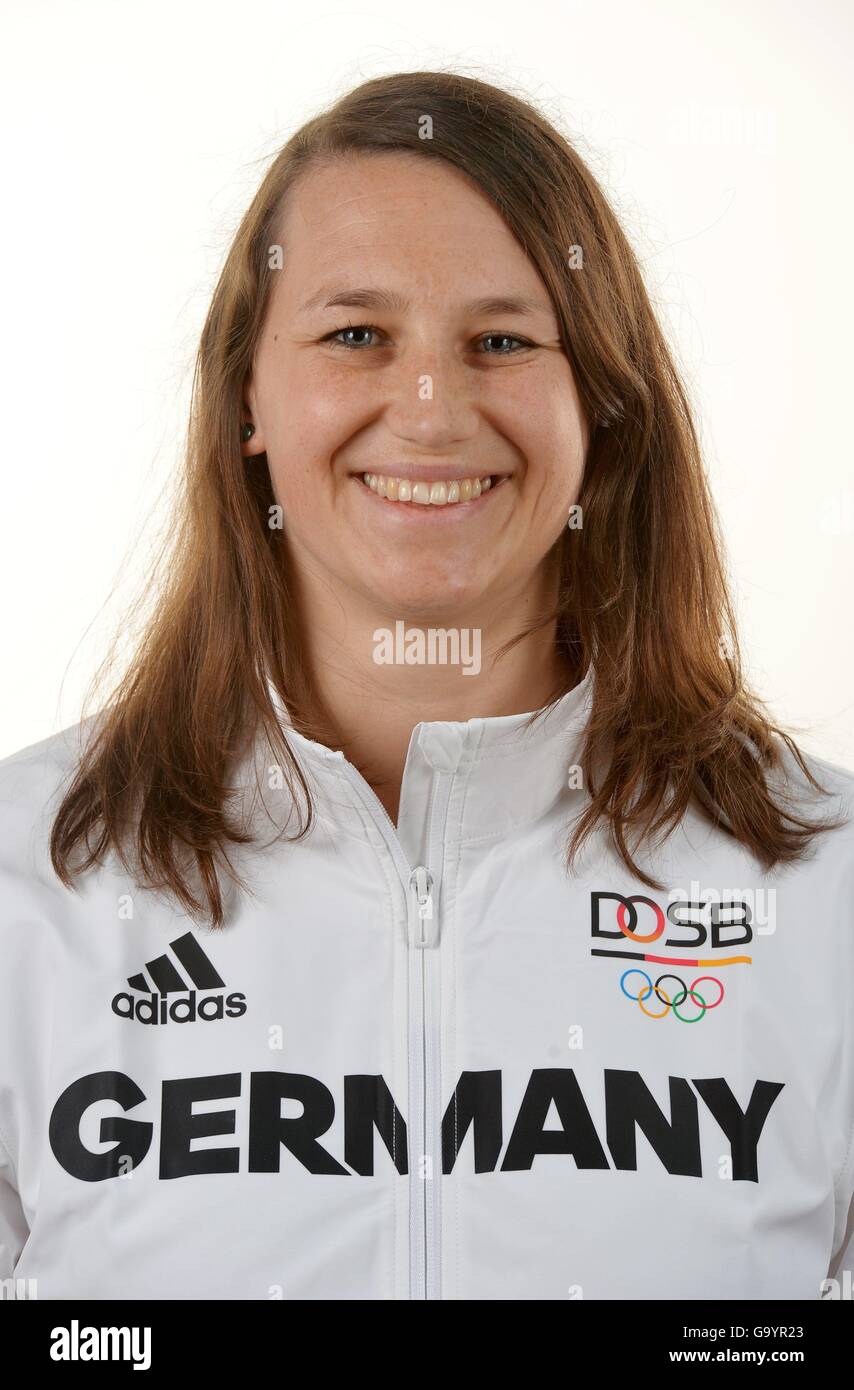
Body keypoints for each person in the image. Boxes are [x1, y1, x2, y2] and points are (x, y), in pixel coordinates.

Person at [0, 69, 852, 1302]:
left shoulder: (824, 893)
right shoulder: (28, 882)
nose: (430, 408)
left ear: (599, 401)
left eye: (501, 341)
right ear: (248, 392)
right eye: (356, 336)